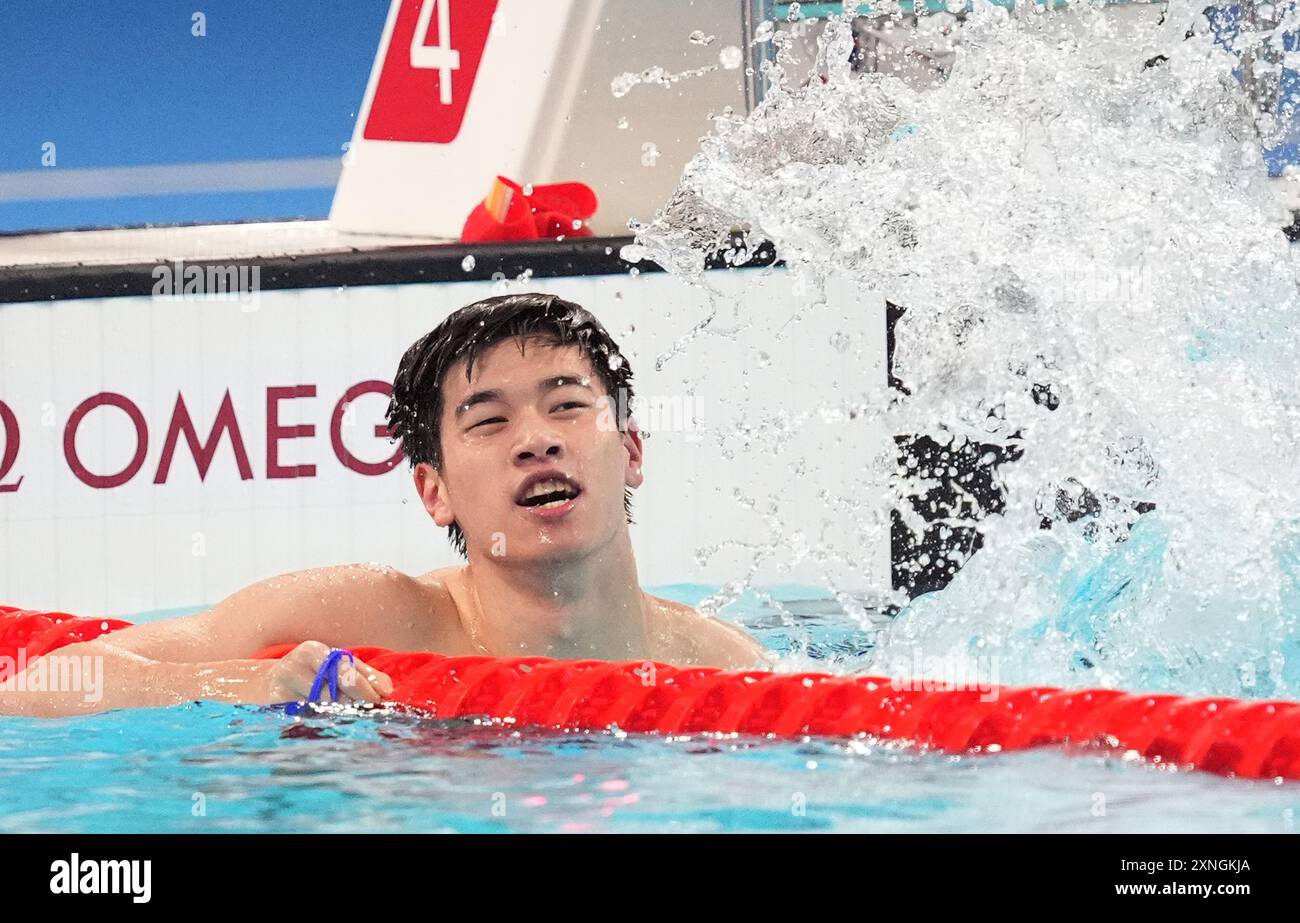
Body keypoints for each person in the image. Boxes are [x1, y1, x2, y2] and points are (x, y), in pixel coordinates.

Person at [0, 293, 771, 718]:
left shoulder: (722, 665)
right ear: (433, 491)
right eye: (490, 419)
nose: (537, 441)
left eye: (568, 406)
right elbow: (45, 687)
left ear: (632, 451)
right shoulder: (365, 614)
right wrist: (238, 682)